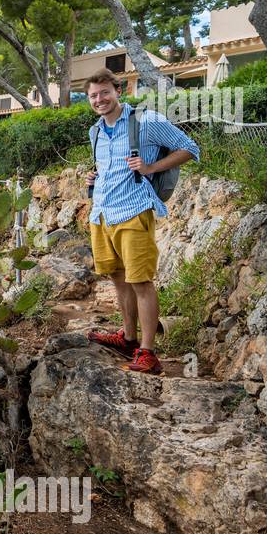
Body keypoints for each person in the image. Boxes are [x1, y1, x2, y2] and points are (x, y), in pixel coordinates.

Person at [83, 69, 200, 375]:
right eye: (93, 95)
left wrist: (151, 167)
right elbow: (107, 167)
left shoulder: (146, 121)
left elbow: (190, 148)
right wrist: (94, 177)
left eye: (104, 92)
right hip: (102, 213)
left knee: (141, 282)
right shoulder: (95, 132)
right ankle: (128, 337)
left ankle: (148, 353)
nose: (99, 99)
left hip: (134, 211)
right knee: (118, 279)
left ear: (117, 90)